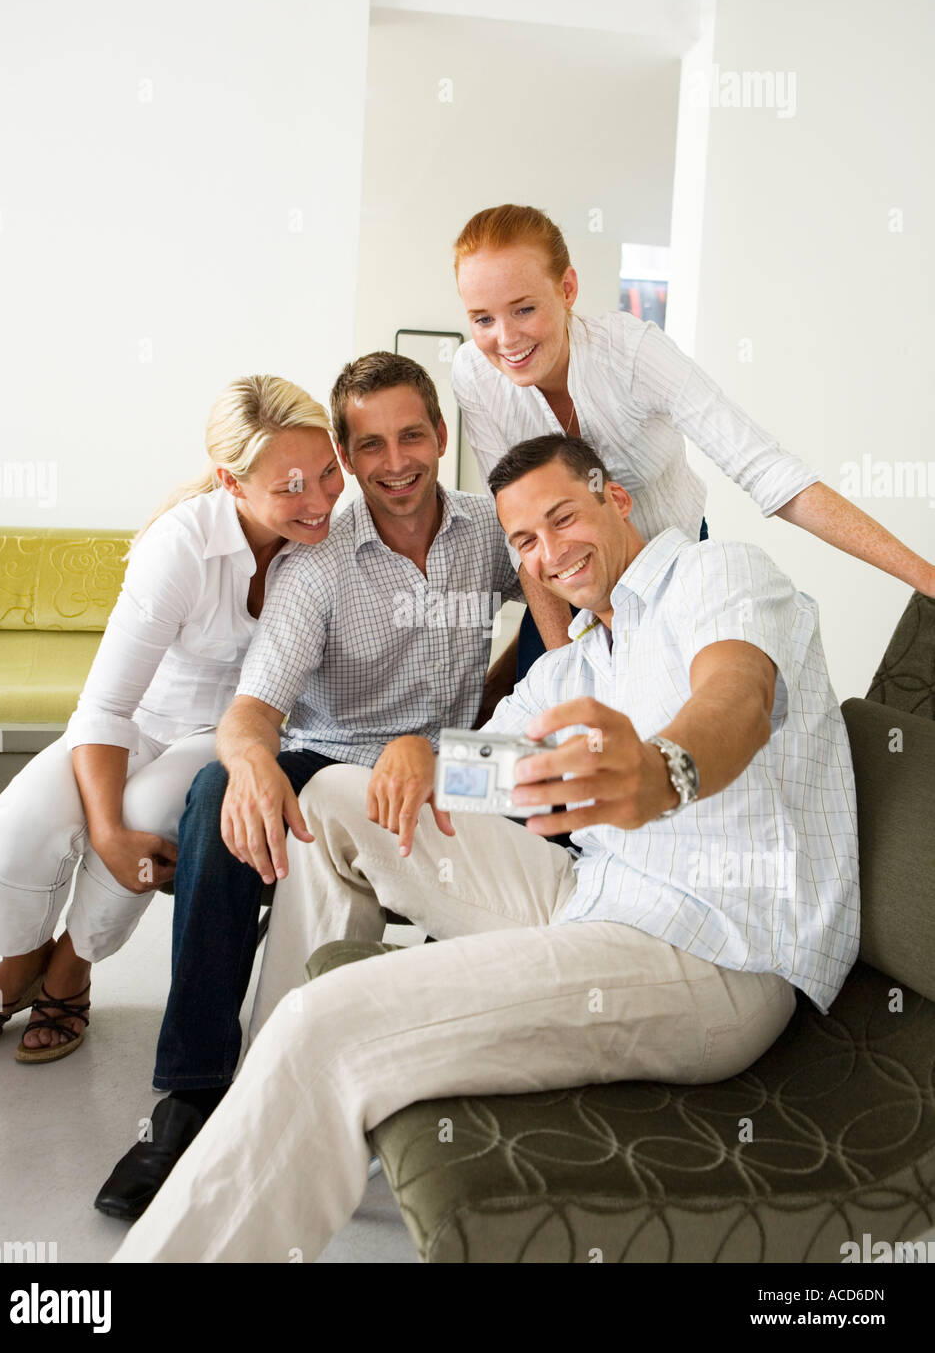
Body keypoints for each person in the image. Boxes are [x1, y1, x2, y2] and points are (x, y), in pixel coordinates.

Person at [108, 431, 859, 1263]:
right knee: (327, 799)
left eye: (562, 518)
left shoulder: (716, 576)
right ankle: (276, 1100)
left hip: (716, 956)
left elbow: (738, 696)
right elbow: (475, 773)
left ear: (614, 499)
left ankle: (286, 1092)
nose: (549, 553)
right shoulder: (578, 663)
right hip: (595, 901)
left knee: (330, 1026)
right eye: (525, 542)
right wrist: (418, 751)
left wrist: (663, 769)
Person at [93, 351, 524, 1219]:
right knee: (215, 796)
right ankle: (192, 1094)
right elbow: (253, 712)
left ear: (442, 437)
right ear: (348, 454)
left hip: (450, 760)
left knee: (541, 792)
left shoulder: (491, 530)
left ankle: (442, 1075)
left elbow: (572, 600)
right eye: (368, 445)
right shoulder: (317, 565)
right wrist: (249, 760)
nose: (393, 461)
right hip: (326, 757)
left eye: (411, 435)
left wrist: (496, 695)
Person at [0, 376, 342, 1065]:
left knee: (153, 804)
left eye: (326, 473)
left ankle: (70, 973)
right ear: (232, 482)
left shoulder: (326, 544)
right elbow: (105, 707)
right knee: (22, 819)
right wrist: (103, 832)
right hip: (135, 720)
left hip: (228, 734)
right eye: (290, 486)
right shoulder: (182, 544)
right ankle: (17, 966)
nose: (317, 502)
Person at [451, 203, 935, 670]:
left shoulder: (635, 355)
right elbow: (516, 527)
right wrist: (564, 666)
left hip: (673, 568)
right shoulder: (474, 375)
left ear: (568, 288)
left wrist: (926, 578)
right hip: (567, 581)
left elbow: (769, 471)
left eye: (524, 309)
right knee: (551, 723)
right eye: (483, 319)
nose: (506, 338)